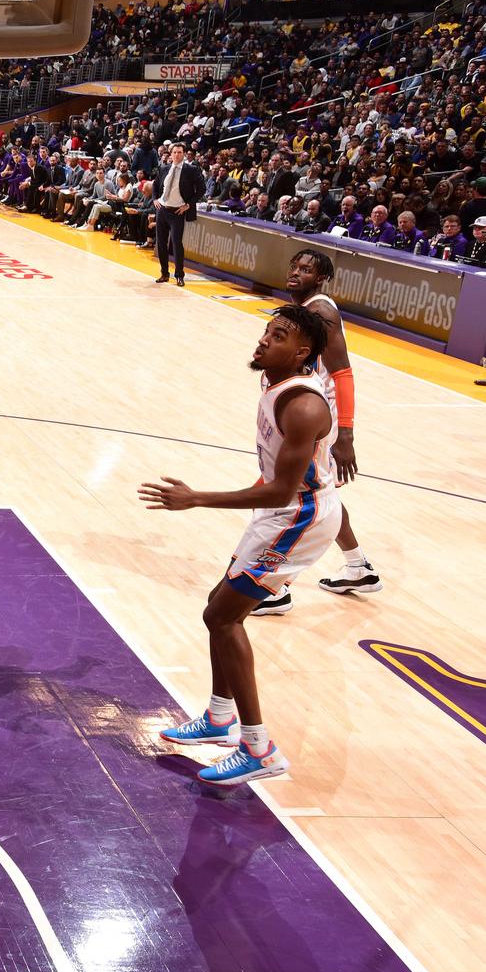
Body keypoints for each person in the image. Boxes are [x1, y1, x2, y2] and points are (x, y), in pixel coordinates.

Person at [141, 304, 338, 786]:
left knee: (222, 616)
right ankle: (219, 716)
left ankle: (259, 749)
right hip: (282, 512)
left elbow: (282, 491)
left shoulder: (304, 405)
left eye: (280, 336)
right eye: (267, 331)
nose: (265, 339)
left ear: (303, 352)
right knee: (219, 606)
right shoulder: (275, 380)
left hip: (299, 516)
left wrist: (196, 499)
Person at [249, 250, 381, 614]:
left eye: (306, 269)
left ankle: (276, 586)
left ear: (320, 278)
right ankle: (358, 567)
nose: (295, 272)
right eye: (294, 266)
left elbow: (343, 372)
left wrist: (346, 435)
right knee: (319, 496)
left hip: (315, 419)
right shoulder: (303, 308)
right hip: (304, 412)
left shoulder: (321, 311)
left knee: (286, 496)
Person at [153, 143, 206, 286]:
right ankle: (164, 273)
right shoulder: (164, 168)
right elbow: (155, 184)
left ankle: (179, 275)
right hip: (162, 209)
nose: (177, 155)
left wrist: (188, 204)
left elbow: (201, 189)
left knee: (177, 244)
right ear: (171, 154)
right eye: (174, 152)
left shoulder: (191, 170)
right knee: (161, 244)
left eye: (180, 152)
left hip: (177, 211)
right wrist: (155, 199)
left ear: (184, 154)